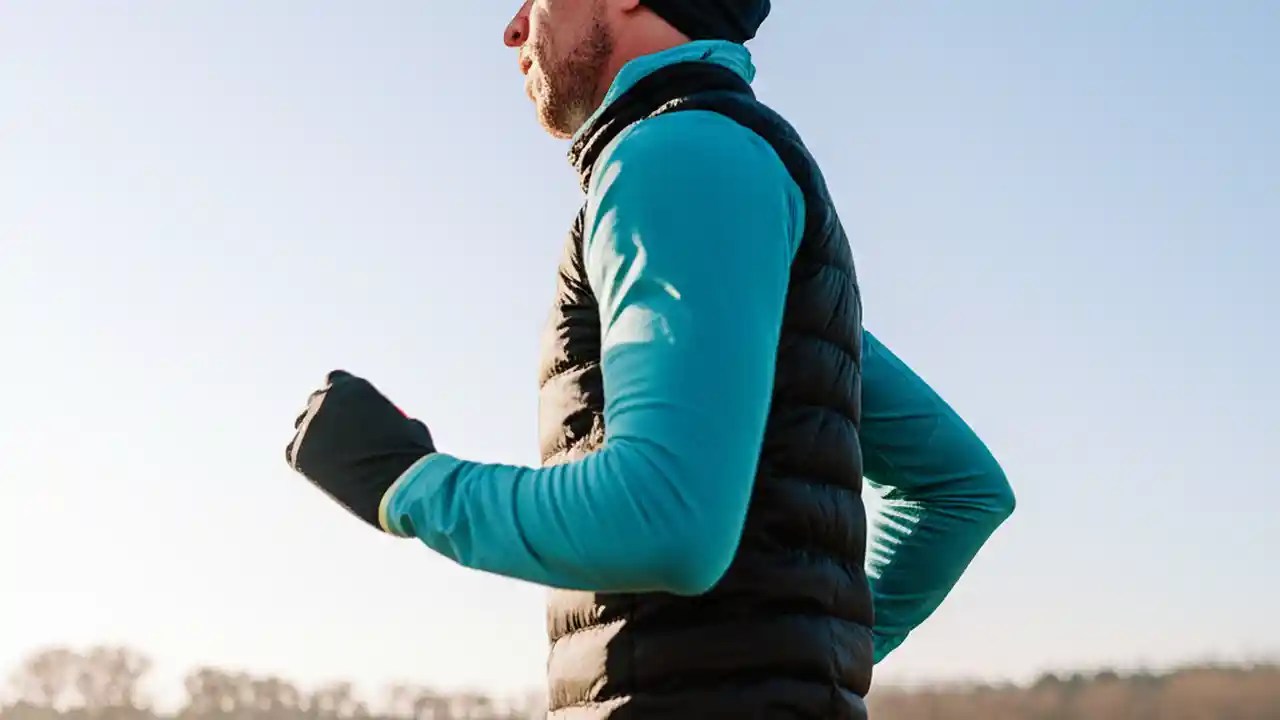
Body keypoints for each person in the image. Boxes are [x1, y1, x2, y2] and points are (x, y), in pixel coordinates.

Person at [284, 1, 1016, 717]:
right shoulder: (719, 168)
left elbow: (669, 521)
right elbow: (959, 488)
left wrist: (405, 481)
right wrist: (800, 659)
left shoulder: (674, 155)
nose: (513, 27)